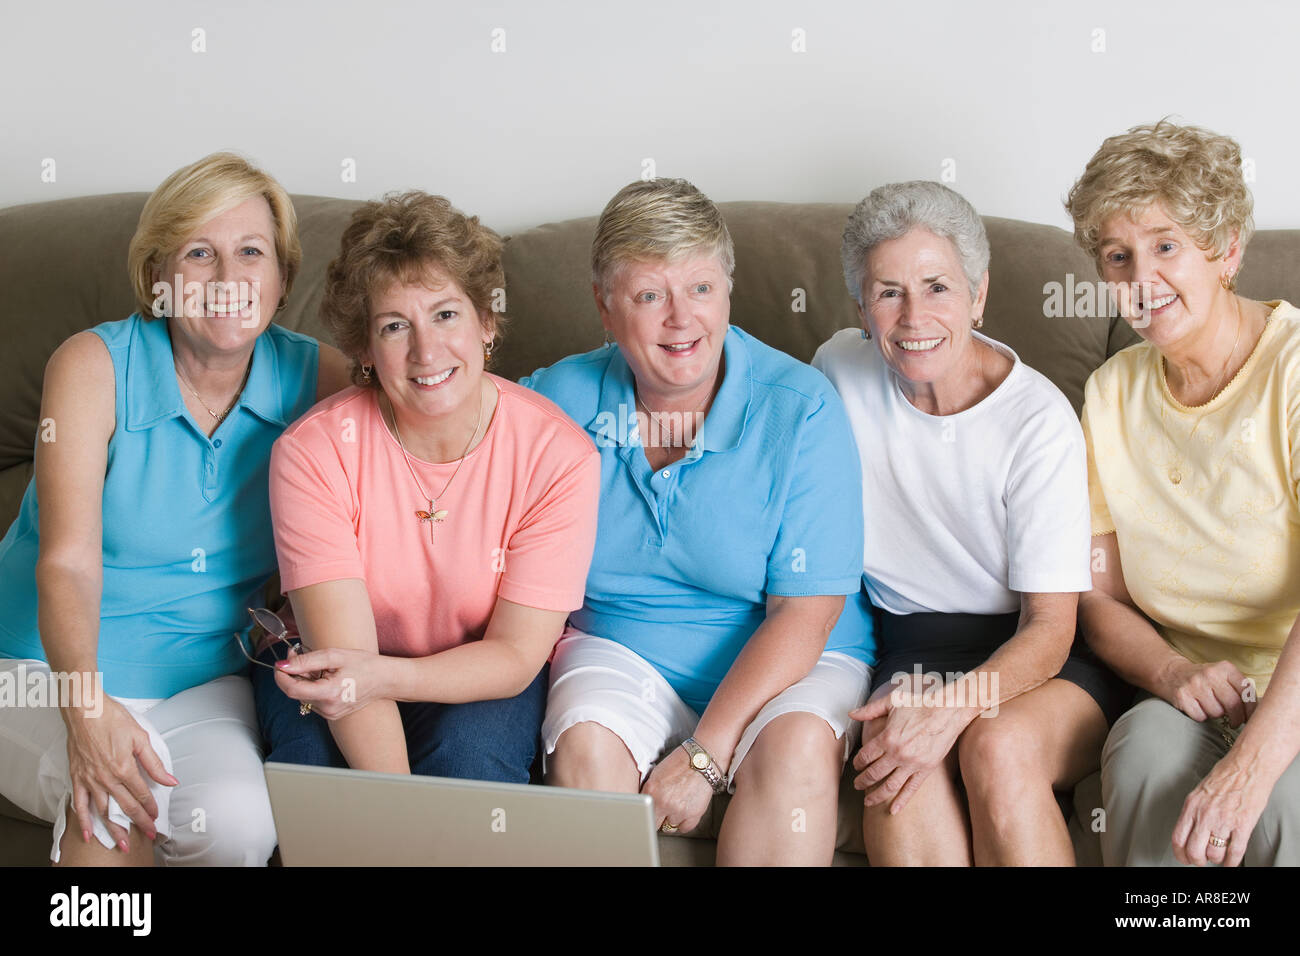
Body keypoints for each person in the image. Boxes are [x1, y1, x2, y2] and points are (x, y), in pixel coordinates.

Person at [0, 152, 351, 865]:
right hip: (40, 664)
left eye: (251, 252)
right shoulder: (92, 366)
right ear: (158, 277)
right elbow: (66, 563)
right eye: (200, 254)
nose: (228, 280)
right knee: (116, 807)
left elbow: (434, 417)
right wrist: (86, 706)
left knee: (241, 826)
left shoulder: (319, 375)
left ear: (283, 278)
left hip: (204, 680)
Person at [522, 178, 871, 866]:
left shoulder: (801, 409)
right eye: (651, 295)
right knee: (588, 745)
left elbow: (805, 614)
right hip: (624, 649)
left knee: (796, 749)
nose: (682, 320)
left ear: (728, 290)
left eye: (701, 289)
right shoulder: (551, 401)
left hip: (792, 657)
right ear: (604, 306)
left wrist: (705, 755)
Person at [814, 180, 1130, 866]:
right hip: (911, 646)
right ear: (861, 308)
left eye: (937, 287)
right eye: (888, 291)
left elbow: (1052, 626)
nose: (913, 315)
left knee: (996, 744)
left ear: (978, 295)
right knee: (898, 766)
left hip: (1040, 659)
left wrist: (955, 709)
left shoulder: (1037, 422)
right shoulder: (837, 369)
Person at [258, 191, 600, 784]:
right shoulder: (311, 452)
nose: (426, 351)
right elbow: (342, 668)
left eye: (446, 314)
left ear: (485, 323)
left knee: (470, 766)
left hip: (482, 668)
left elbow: (516, 656)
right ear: (364, 350)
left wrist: (387, 678)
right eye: (395, 326)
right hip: (327, 661)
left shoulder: (558, 455)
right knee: (320, 779)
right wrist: (403, 821)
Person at [1068, 120, 1300, 866]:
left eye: (1166, 245)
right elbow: (1097, 597)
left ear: (1226, 249)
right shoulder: (1108, 396)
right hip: (1190, 685)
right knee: (1140, 761)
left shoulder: (1291, 374)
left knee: (1278, 812)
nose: (1142, 278)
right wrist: (1173, 673)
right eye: (1118, 256)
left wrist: (1252, 767)